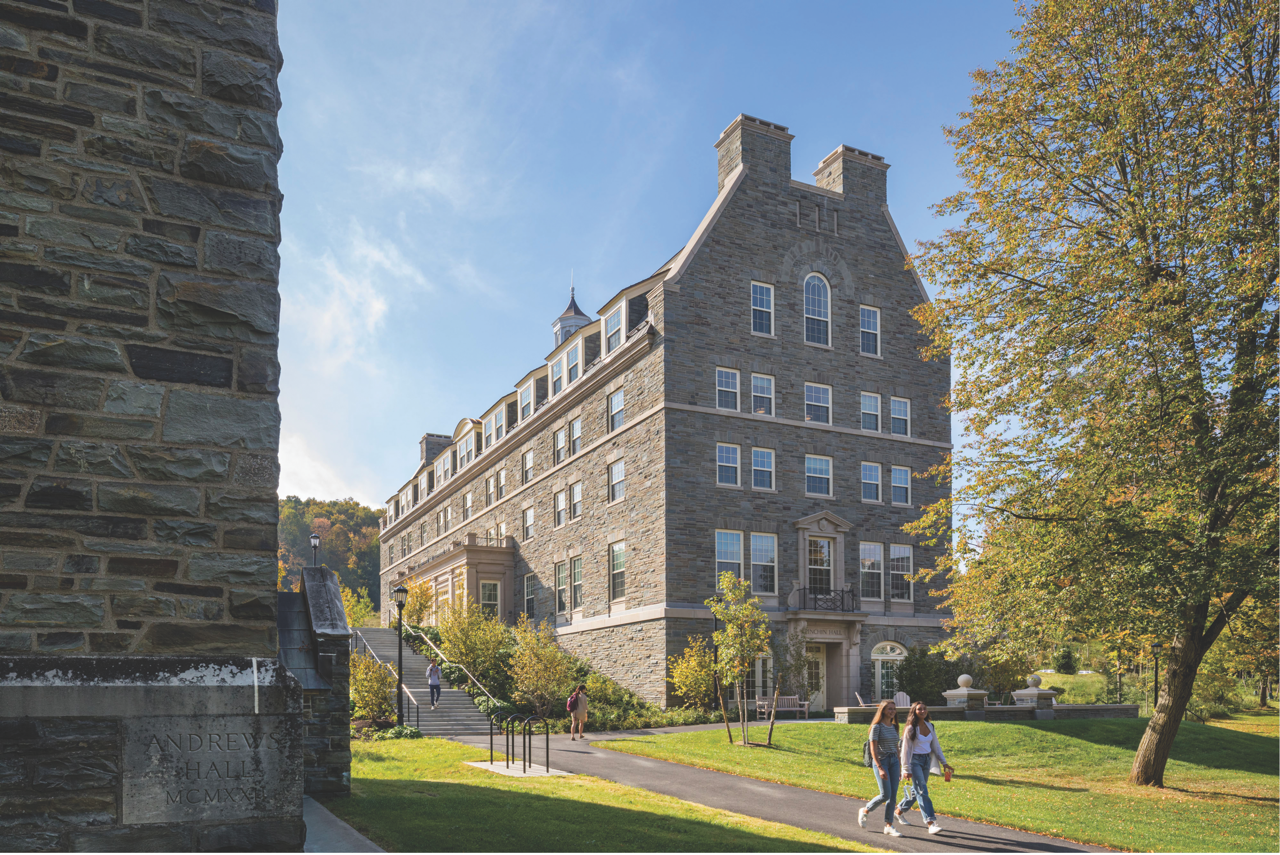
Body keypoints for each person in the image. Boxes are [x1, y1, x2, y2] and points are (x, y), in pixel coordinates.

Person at [896, 701, 953, 835]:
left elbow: (936, 746)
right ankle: (931, 823)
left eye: (924, 709)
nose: (922, 711)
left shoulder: (930, 726)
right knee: (922, 791)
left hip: (926, 760)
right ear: (914, 712)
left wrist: (944, 763)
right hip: (914, 761)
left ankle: (899, 811)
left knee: (918, 791)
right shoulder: (911, 728)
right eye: (919, 709)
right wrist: (906, 769)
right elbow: (905, 750)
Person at [857, 699, 903, 837]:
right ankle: (865, 810)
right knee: (885, 794)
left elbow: (896, 747)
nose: (892, 711)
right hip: (882, 762)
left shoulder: (894, 727)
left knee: (893, 796)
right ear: (882, 711)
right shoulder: (877, 727)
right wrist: (880, 767)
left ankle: (889, 825)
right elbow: (873, 749)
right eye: (889, 709)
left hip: (894, 761)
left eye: (893, 709)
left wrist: (900, 765)